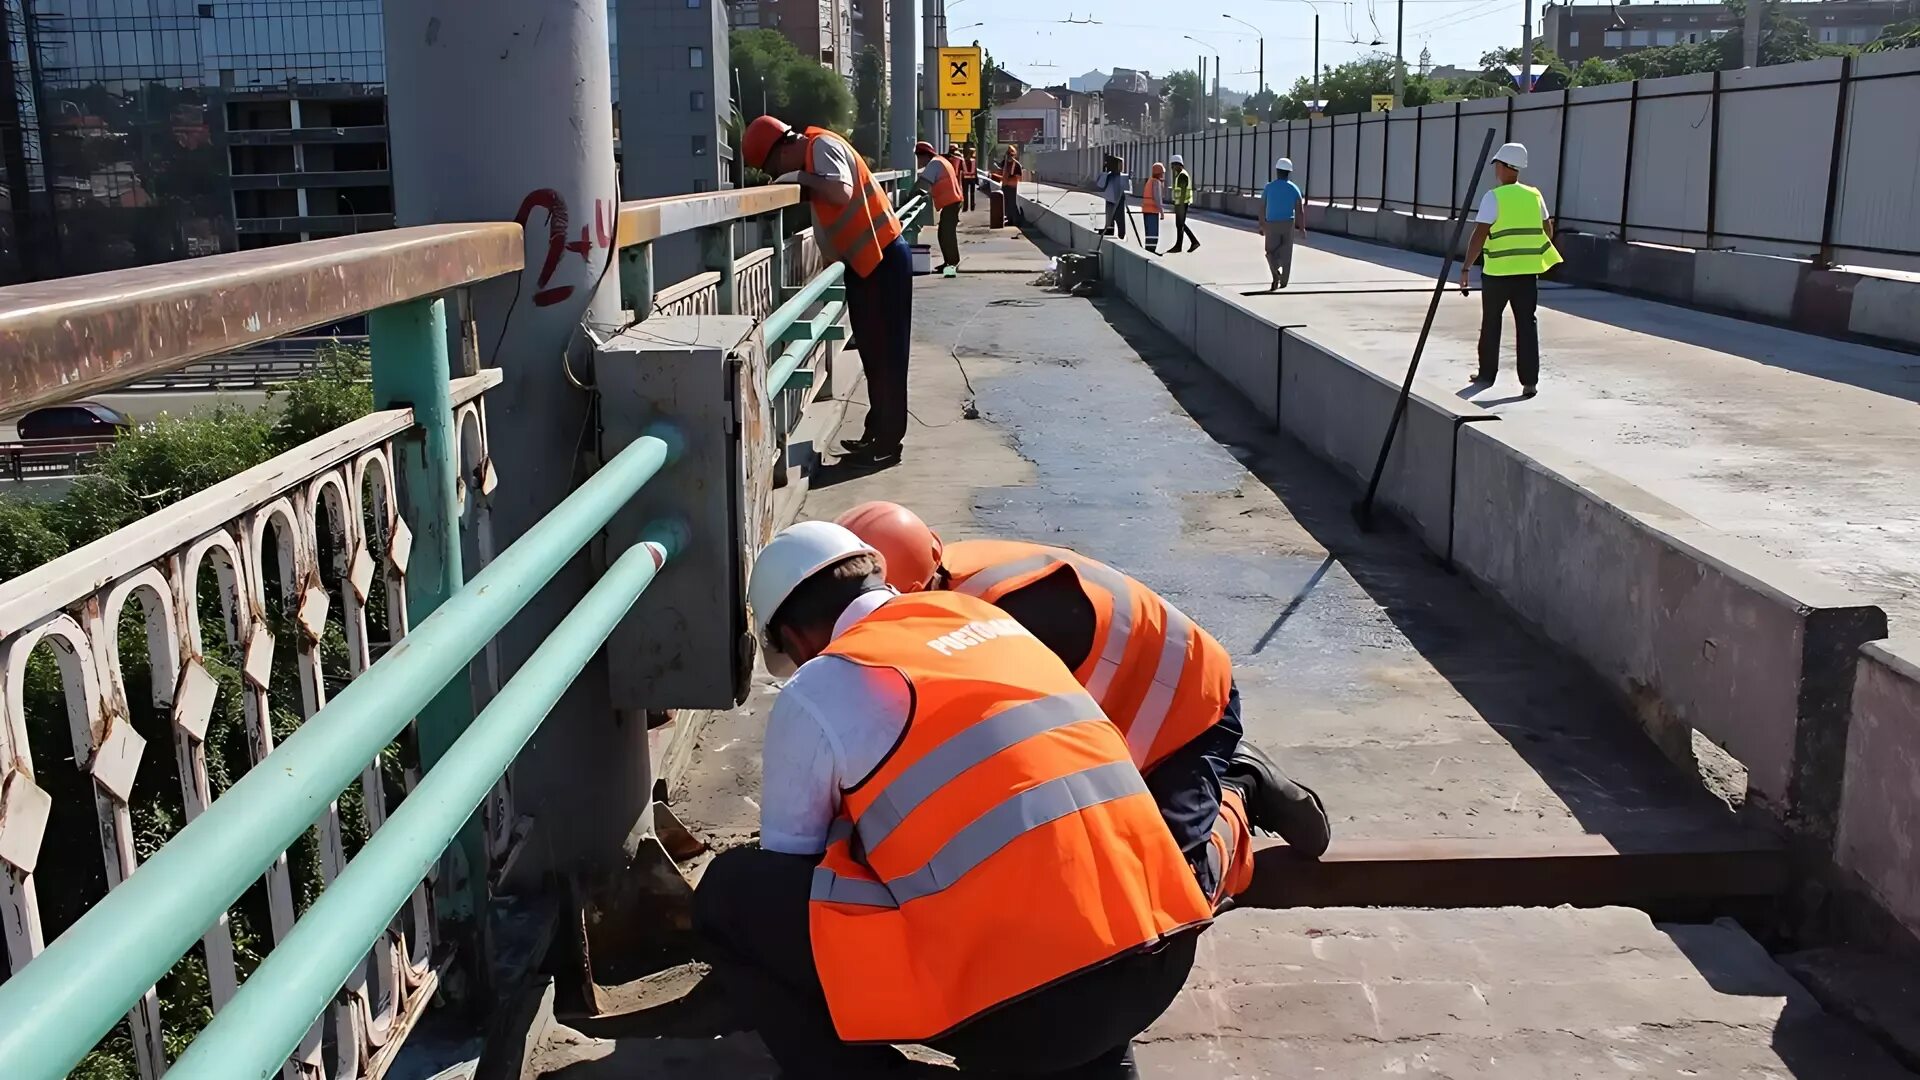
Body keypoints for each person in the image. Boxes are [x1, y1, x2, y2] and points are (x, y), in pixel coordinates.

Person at [695, 521, 1217, 1080]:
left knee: (733, 896)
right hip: (1160, 954)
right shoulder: (989, 619)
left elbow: (789, 861)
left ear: (795, 639)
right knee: (1067, 914)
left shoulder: (820, 684)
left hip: (1023, 1007)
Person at [837, 501, 1332, 907]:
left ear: (911, 594)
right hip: (1123, 716)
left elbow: (1033, 765)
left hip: (1189, 712)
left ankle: (1239, 788)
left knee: (1177, 894)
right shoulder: (936, 584)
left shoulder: (1010, 622)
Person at [743, 114, 910, 467]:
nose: (778, 173)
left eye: (775, 166)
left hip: (884, 258)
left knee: (887, 357)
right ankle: (876, 433)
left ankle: (887, 445)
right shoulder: (813, 158)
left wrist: (802, 179)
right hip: (868, 263)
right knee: (873, 355)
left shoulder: (822, 147)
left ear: (784, 147)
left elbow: (840, 191)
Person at [1460, 141, 1562, 399]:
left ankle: (1487, 375)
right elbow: (1547, 230)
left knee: (1491, 322)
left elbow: (1479, 235)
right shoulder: (1535, 196)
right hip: (1527, 274)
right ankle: (1529, 382)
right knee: (1527, 324)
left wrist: (1466, 267)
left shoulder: (1493, 197)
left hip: (1497, 273)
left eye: (1497, 165)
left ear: (1505, 167)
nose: (1496, 170)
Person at [913, 140, 964, 277]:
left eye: (918, 158)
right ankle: (949, 262)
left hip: (951, 202)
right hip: (953, 201)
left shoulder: (934, 164)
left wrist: (910, 196)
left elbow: (923, 183)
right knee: (944, 234)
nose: (918, 162)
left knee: (946, 235)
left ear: (923, 156)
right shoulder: (941, 161)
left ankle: (952, 264)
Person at [1261, 156, 1307, 291]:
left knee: (1270, 251)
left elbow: (1262, 206)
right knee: (1286, 252)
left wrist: (1261, 224)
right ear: (1289, 172)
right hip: (1288, 222)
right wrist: (1302, 228)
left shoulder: (1269, 187)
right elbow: (1300, 210)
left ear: (1277, 171)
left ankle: (1275, 275)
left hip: (1271, 223)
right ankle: (1284, 281)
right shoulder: (1294, 188)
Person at [1167, 153, 1200, 253]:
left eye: (1173, 165)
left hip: (1182, 204)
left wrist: (1178, 205)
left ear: (1178, 164)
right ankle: (1192, 242)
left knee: (1180, 224)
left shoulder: (1182, 176)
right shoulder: (1181, 174)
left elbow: (1182, 192)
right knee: (1180, 224)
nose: (1172, 168)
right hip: (1181, 203)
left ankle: (1181, 245)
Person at [1098, 154, 1130, 239]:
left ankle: (1121, 233)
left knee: (1120, 218)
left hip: (1119, 198)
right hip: (1111, 199)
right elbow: (1100, 185)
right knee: (1109, 217)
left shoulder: (1123, 176)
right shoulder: (1108, 176)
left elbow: (1128, 188)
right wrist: (1104, 172)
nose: (1120, 167)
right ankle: (1110, 230)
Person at [1141, 162, 1167, 253]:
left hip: (1146, 210)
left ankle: (1148, 250)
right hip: (1152, 211)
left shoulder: (1150, 180)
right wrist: (1162, 211)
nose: (1163, 174)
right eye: (1162, 172)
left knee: (1148, 233)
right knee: (1153, 233)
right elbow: (1157, 197)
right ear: (1159, 172)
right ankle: (1151, 251)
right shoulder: (1156, 182)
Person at [1001, 143, 1026, 225]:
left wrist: (1011, 178)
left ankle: (1016, 220)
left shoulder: (1017, 165)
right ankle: (1009, 219)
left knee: (1012, 204)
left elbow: (1020, 178)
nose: (1009, 156)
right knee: (1006, 204)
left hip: (1012, 186)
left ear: (1014, 155)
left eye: (1011, 154)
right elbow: (1001, 171)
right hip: (1004, 185)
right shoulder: (1004, 162)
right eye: (1008, 154)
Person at [961, 146, 979, 211]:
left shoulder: (963, 161)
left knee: (965, 193)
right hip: (972, 178)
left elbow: (961, 170)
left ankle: (965, 207)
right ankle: (972, 206)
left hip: (965, 178)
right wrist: (977, 179)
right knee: (972, 193)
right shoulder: (974, 161)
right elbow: (975, 171)